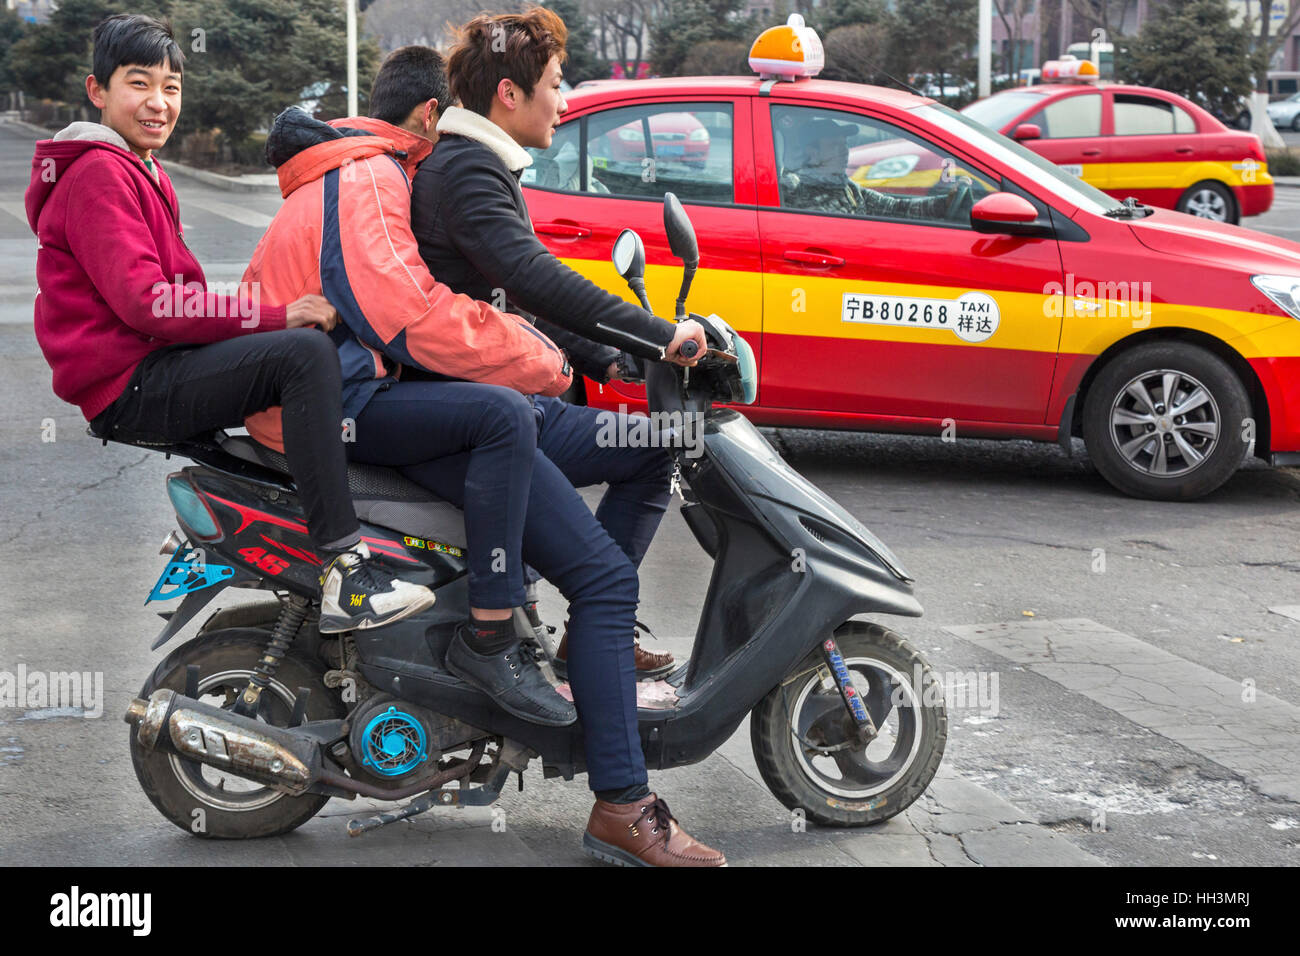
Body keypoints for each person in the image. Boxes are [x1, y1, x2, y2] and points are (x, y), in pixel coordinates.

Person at [411, 8, 724, 867]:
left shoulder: (476, 161)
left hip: (496, 402)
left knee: (661, 440)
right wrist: (658, 333)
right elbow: (534, 276)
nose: (564, 100)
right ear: (508, 93)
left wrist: (624, 357)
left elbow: (529, 299)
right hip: (472, 422)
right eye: (554, 86)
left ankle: (600, 635)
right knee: (606, 577)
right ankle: (622, 806)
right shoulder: (468, 170)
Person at [24, 13, 434, 634]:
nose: (158, 103)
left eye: (172, 87)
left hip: (148, 367)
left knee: (297, 346)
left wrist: (269, 317)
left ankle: (276, 512)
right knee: (302, 354)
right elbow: (150, 305)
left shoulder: (141, 168)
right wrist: (278, 315)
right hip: (130, 384)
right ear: (97, 90)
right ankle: (344, 568)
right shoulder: (99, 172)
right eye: (139, 84)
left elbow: (180, 294)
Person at [242, 47, 580, 723]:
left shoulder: (358, 162)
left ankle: (507, 615)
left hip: (324, 386)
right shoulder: (373, 173)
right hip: (318, 403)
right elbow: (410, 315)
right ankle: (489, 639)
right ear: (432, 114)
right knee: (501, 418)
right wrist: (547, 364)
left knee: (496, 413)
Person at [779, 114, 969, 220]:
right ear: (814, 153)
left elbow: (892, 207)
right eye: (835, 145)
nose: (845, 151)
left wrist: (945, 203)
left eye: (845, 144)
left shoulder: (844, 186)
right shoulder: (798, 191)